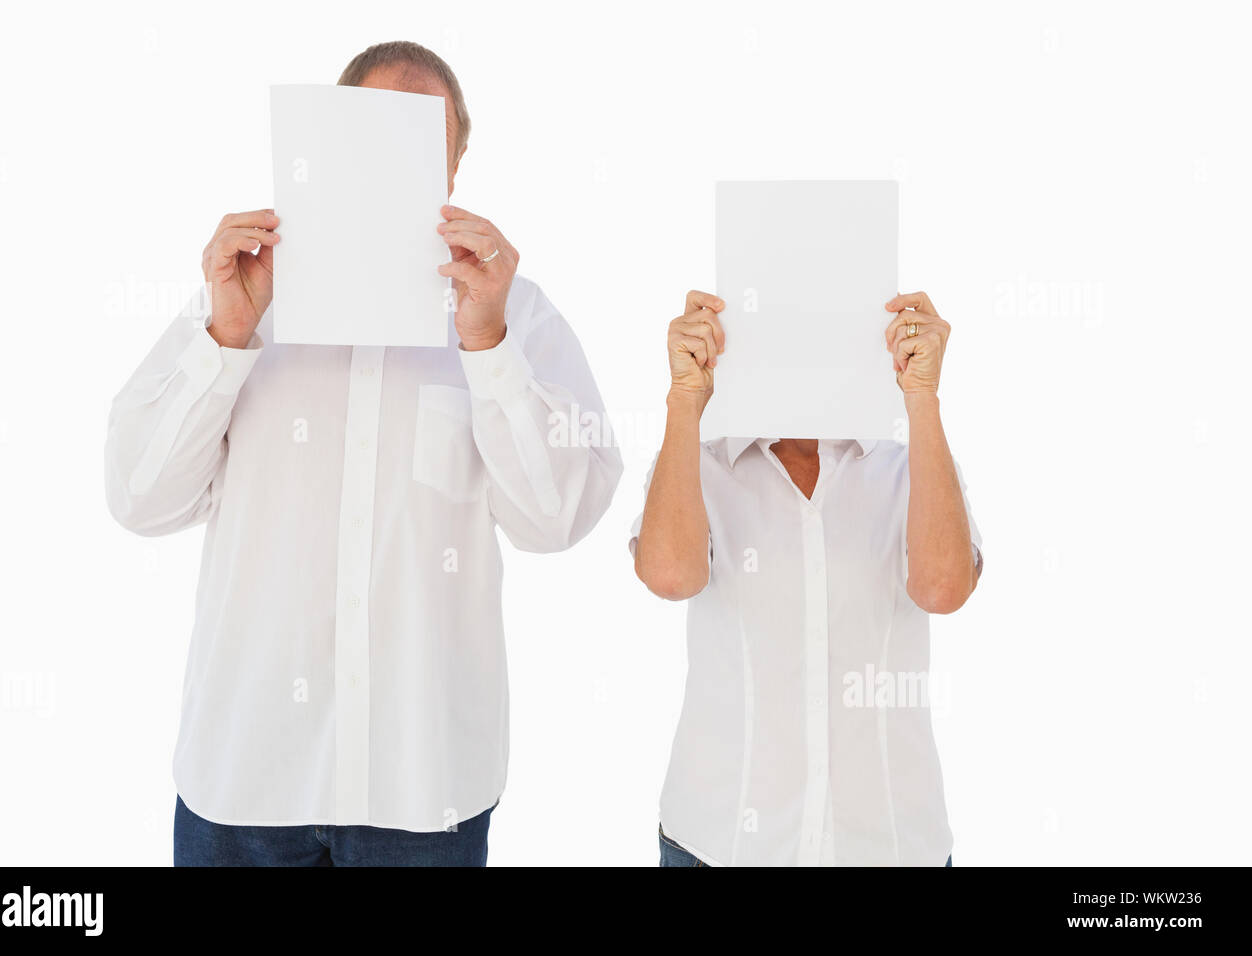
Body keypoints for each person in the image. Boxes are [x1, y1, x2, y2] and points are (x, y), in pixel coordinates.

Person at [105, 41, 622, 866]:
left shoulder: (517, 316)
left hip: (423, 792)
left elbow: (557, 519)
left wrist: (487, 347)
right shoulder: (242, 302)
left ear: (453, 169)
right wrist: (226, 337)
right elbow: (138, 498)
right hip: (243, 782)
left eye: (423, 141)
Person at [631, 289, 981, 866]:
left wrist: (922, 398)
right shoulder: (702, 461)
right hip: (721, 845)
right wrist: (684, 401)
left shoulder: (907, 462)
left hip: (890, 848)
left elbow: (943, 589)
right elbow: (669, 575)